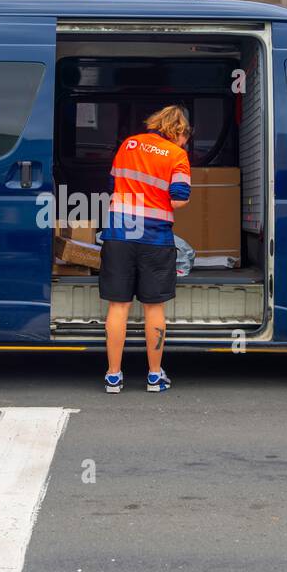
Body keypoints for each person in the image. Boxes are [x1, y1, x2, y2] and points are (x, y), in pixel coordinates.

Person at [98, 105, 192, 393]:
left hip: (119, 236)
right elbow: (179, 199)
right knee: (153, 307)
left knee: (118, 306)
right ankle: (154, 375)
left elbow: (115, 182)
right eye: (185, 136)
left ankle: (113, 376)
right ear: (178, 131)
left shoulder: (129, 144)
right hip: (154, 239)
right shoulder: (177, 155)